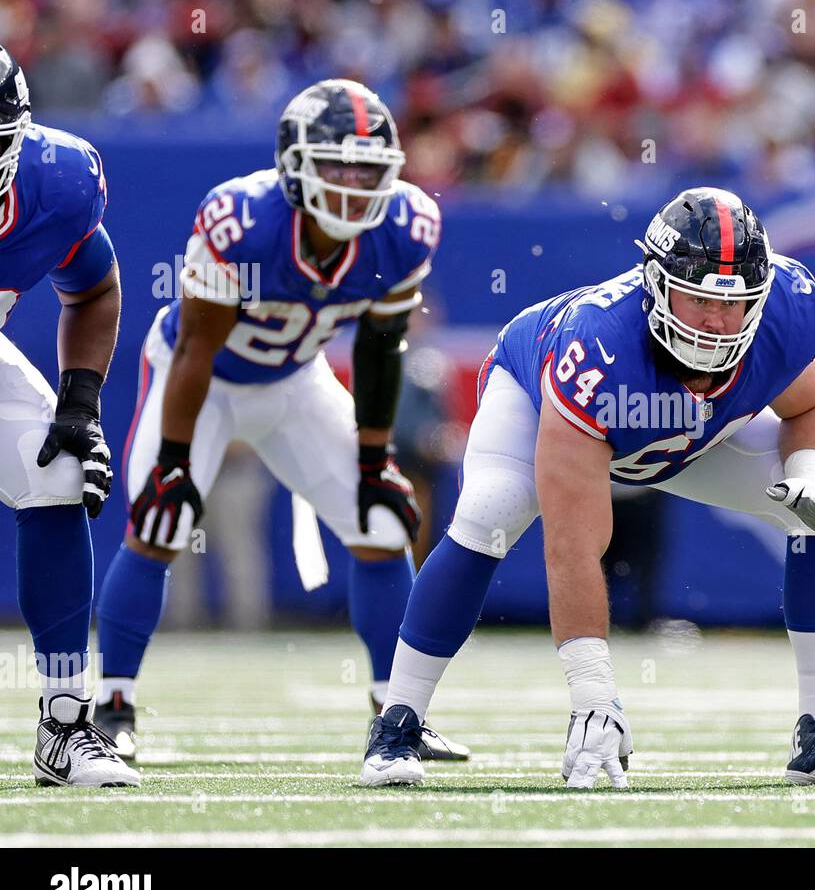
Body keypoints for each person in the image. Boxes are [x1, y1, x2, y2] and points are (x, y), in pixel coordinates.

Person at [360, 186, 815, 789]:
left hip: (684, 433)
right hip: (539, 393)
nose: (718, 321)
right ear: (657, 286)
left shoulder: (783, 311)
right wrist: (593, 697)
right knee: (494, 507)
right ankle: (397, 722)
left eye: (735, 304)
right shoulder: (598, 349)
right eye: (698, 301)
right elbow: (572, 548)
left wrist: (809, 474)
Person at [93, 79, 468, 766]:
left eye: (368, 170)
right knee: (159, 522)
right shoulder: (243, 221)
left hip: (295, 380)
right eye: (337, 166)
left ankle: (397, 713)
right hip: (202, 379)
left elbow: (385, 345)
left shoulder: (405, 227)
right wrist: (175, 459)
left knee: (384, 522)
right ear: (294, 165)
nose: (354, 185)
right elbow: (198, 347)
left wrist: (372, 456)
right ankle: (112, 707)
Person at [0, 45, 134, 786]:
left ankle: (65, 723)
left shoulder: (57, 184)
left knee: (56, 474)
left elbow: (92, 288)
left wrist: (81, 404)